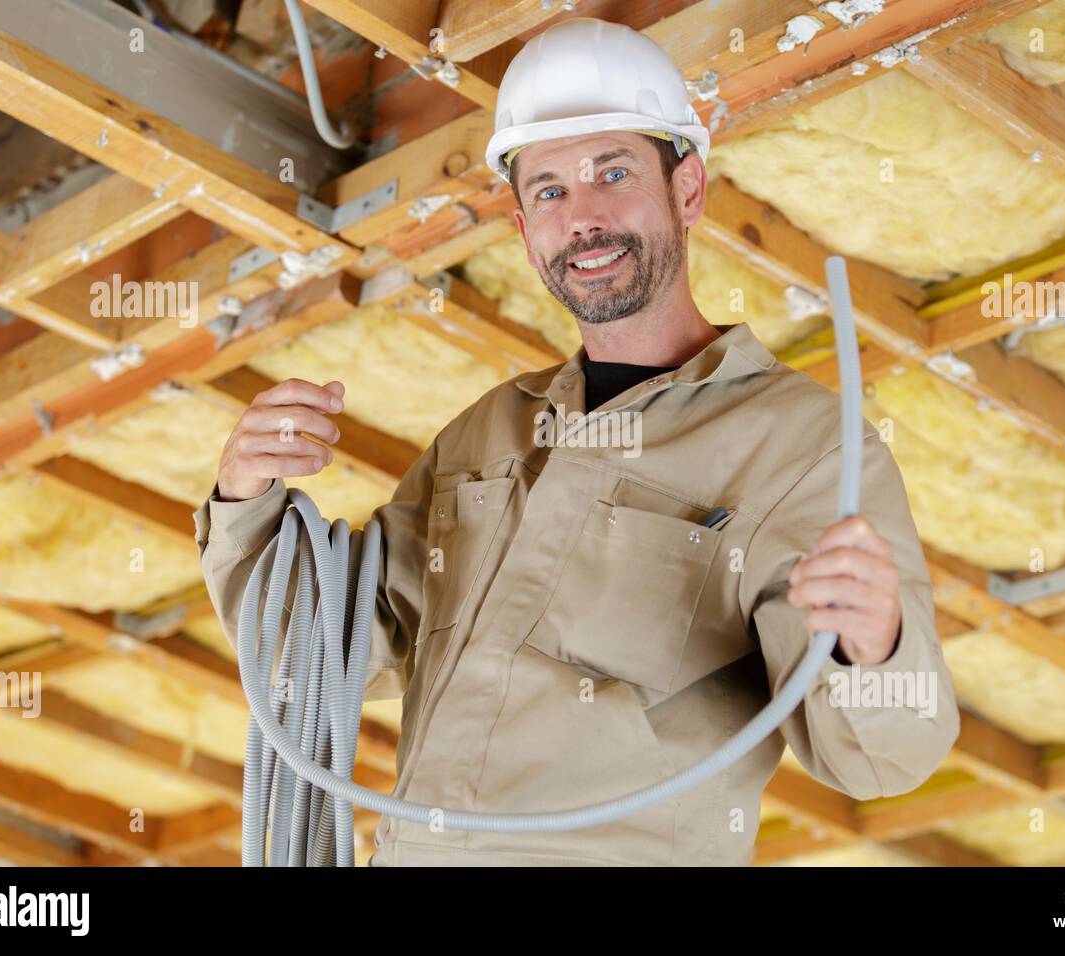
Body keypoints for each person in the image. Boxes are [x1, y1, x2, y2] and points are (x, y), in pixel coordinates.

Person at [194, 17, 959, 866]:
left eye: (613, 172)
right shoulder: (486, 433)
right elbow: (316, 662)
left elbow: (882, 760)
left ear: (688, 190)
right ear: (526, 232)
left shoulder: (800, 447)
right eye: (550, 190)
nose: (584, 217)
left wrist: (874, 645)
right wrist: (243, 501)